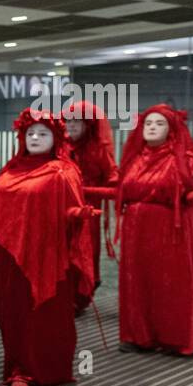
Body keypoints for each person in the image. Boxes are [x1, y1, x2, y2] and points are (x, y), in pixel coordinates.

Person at [0, 110, 97, 386]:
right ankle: (18, 366)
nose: (35, 138)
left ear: (55, 138)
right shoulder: (10, 169)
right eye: (30, 133)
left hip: (46, 254)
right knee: (13, 310)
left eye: (43, 133)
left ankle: (48, 367)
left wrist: (78, 213)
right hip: (7, 253)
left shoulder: (63, 171)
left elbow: (70, 208)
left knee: (45, 310)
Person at [113, 105, 193, 356]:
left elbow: (190, 193)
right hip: (135, 230)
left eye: (159, 124)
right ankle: (140, 335)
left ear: (171, 128)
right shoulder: (135, 158)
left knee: (171, 282)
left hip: (169, 229)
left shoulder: (183, 159)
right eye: (148, 123)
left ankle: (176, 336)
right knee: (138, 281)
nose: (152, 127)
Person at [62, 100, 118, 313]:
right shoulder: (61, 146)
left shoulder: (98, 149)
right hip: (62, 208)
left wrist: (116, 188)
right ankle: (65, 294)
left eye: (77, 121)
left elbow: (112, 173)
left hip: (88, 210)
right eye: (69, 120)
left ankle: (83, 292)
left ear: (88, 124)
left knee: (86, 250)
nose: (72, 125)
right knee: (63, 250)